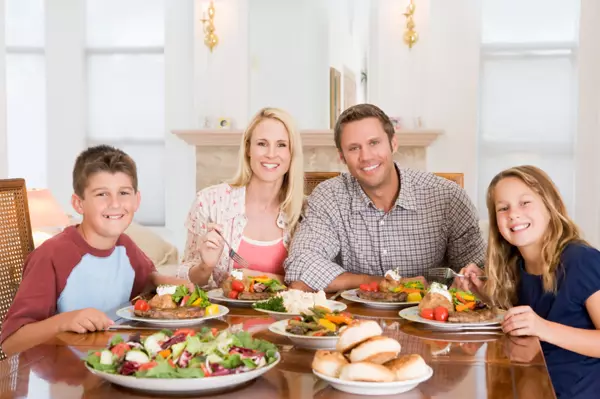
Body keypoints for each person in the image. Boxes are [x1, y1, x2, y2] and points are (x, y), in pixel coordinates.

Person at [0, 145, 192, 356]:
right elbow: (10, 343)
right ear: (78, 203)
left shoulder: (125, 246)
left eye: (124, 193)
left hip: (114, 367)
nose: (115, 204)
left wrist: (160, 280)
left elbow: (145, 283)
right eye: (102, 194)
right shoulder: (51, 256)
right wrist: (64, 321)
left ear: (137, 200)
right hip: (63, 382)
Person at [284, 103, 485, 292]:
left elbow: (482, 272)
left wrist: (470, 279)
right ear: (342, 157)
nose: (366, 156)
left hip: (430, 320)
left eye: (374, 143)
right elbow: (300, 267)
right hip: (352, 322)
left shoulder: (447, 197)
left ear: (393, 143)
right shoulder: (329, 197)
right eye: (354, 148)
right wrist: (383, 283)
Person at [456, 165, 600, 398]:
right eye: (503, 208)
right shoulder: (516, 264)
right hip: (533, 385)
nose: (513, 214)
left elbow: (541, 325)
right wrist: (484, 293)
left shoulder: (582, 260)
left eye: (525, 203)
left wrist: (543, 328)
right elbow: (526, 318)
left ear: (550, 205)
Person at [179, 108, 304, 287]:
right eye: (262, 143)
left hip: (287, 315)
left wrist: (252, 276)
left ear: (291, 153)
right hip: (223, 314)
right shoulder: (208, 203)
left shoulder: (306, 212)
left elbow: (312, 282)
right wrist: (206, 267)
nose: (271, 153)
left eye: (282, 145)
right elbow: (184, 281)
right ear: (248, 149)